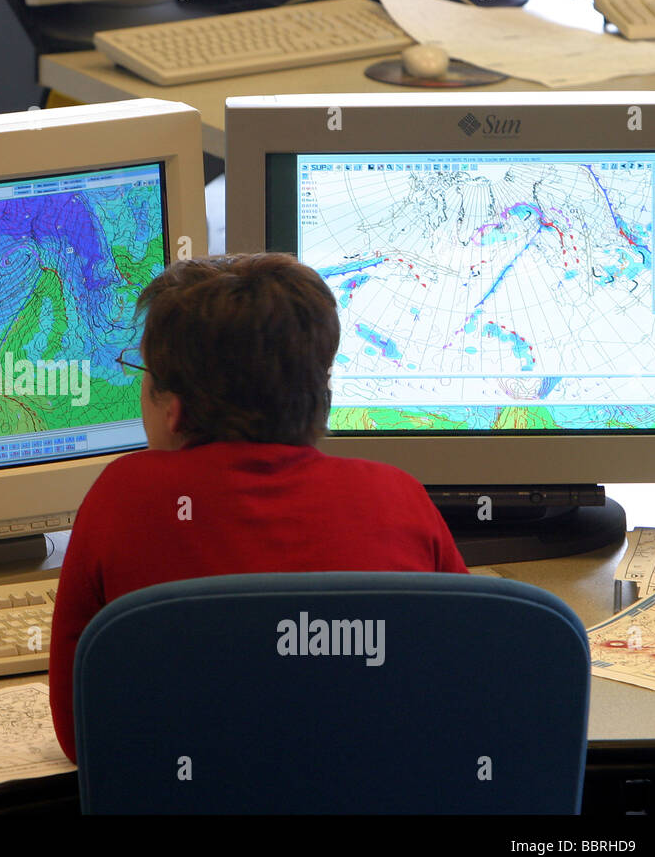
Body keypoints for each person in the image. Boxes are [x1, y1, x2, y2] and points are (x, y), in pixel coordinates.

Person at [48, 253, 468, 763]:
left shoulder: (123, 495)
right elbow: (459, 687)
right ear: (322, 396)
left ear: (173, 407)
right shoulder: (397, 496)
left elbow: (80, 738)